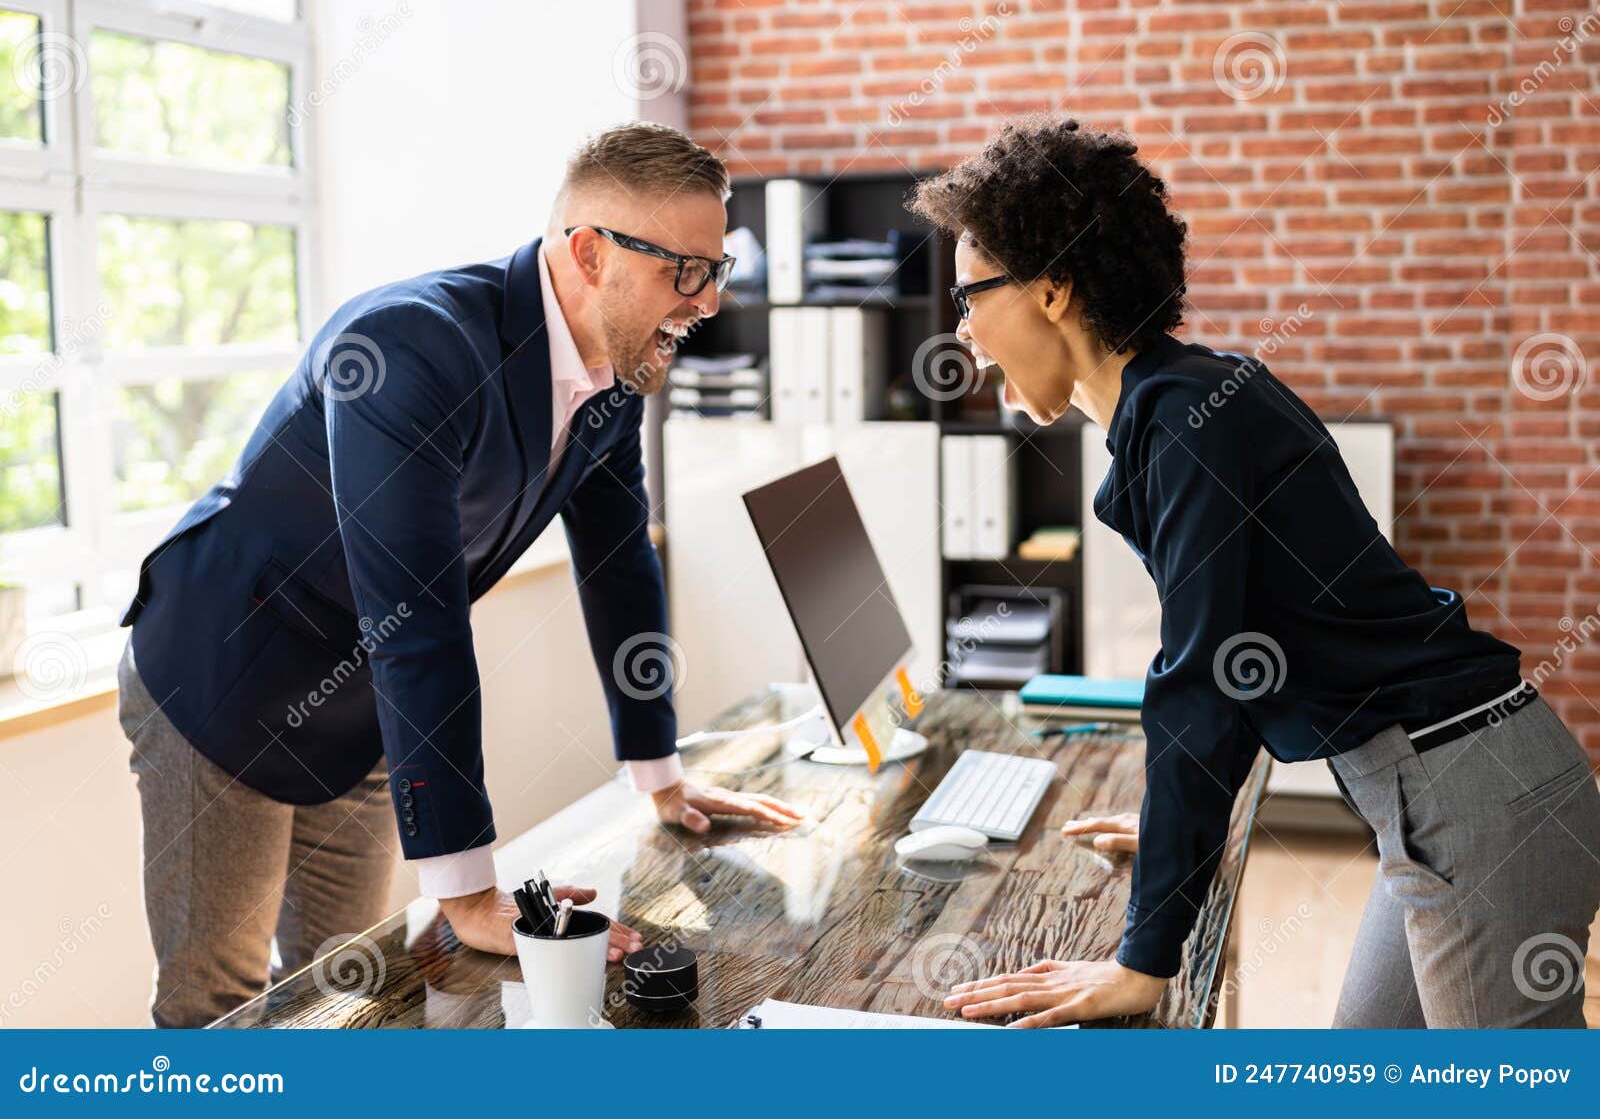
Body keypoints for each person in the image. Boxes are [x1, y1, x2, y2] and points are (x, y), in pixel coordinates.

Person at [908, 115, 1600, 1029]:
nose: (965, 333)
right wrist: (1172, 845)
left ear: (1051, 290)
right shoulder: (1180, 405)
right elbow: (1235, 666)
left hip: (1475, 804)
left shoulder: (1189, 422)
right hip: (1443, 798)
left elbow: (1202, 682)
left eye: (970, 298)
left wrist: (1143, 958)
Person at [118, 122, 804, 1028]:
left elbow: (618, 562)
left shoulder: (609, 378)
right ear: (591, 253)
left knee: (344, 994)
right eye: (686, 271)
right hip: (225, 676)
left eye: (716, 271)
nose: (707, 302)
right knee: (225, 1014)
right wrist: (470, 888)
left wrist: (658, 768)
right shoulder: (409, 344)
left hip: (362, 707)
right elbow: (419, 616)